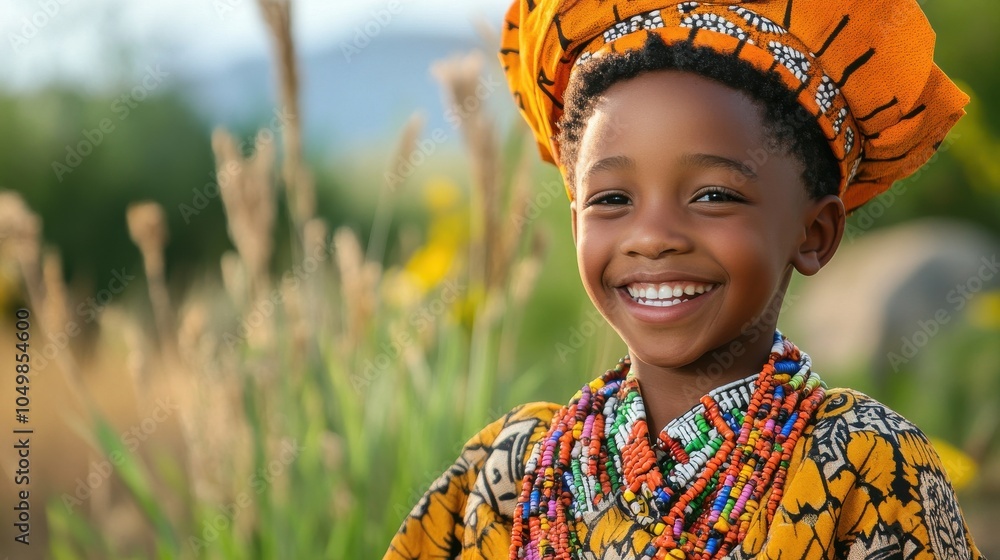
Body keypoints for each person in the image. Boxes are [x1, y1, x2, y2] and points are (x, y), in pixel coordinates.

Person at [385, 0, 984, 558]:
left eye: (714, 195)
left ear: (815, 233)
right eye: (613, 198)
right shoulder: (514, 466)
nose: (653, 235)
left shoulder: (863, 463)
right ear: (574, 225)